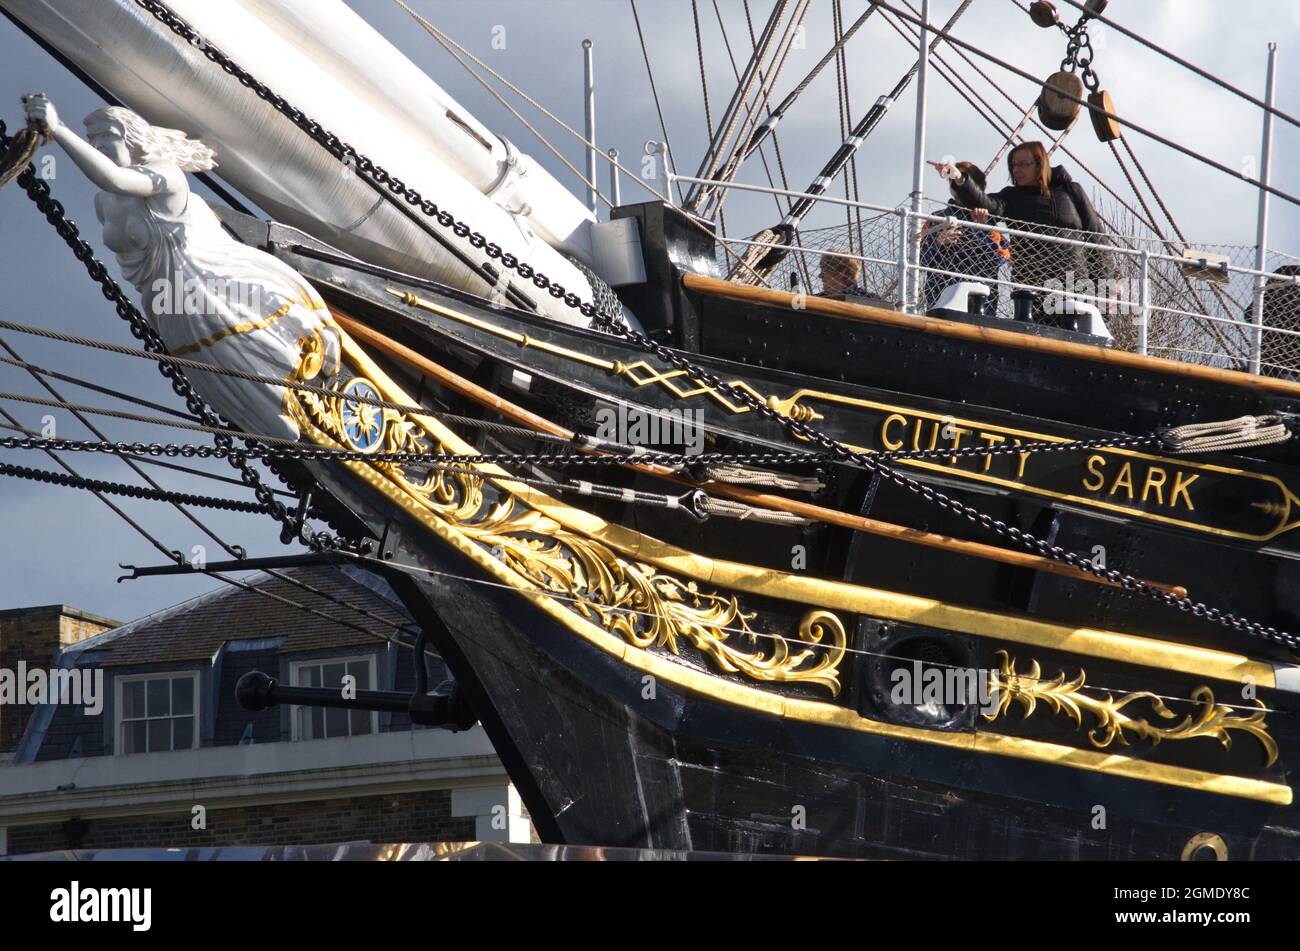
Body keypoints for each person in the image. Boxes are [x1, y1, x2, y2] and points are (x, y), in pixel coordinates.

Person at [21, 94, 340, 440]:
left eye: (106, 139)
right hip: (165, 301)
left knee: (248, 355)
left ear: (132, 139)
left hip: (204, 285)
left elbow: (113, 178)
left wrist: (60, 130)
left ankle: (303, 414)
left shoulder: (166, 177)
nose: (99, 147)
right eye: (93, 142)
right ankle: (279, 426)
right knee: (216, 378)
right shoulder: (104, 204)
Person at [931, 142, 1118, 324]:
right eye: (1013, 165)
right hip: (1032, 289)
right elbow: (985, 203)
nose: (1016, 170)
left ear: (1040, 165)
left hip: (1074, 284)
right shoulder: (1011, 197)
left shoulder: (1070, 190)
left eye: (1023, 164)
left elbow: (1096, 236)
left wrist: (1109, 284)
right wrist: (958, 178)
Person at [920, 161, 1010, 317]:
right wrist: (938, 242)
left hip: (981, 301)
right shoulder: (936, 219)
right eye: (952, 182)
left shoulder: (990, 222)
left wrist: (983, 229)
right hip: (941, 296)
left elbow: (1002, 258)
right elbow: (920, 258)